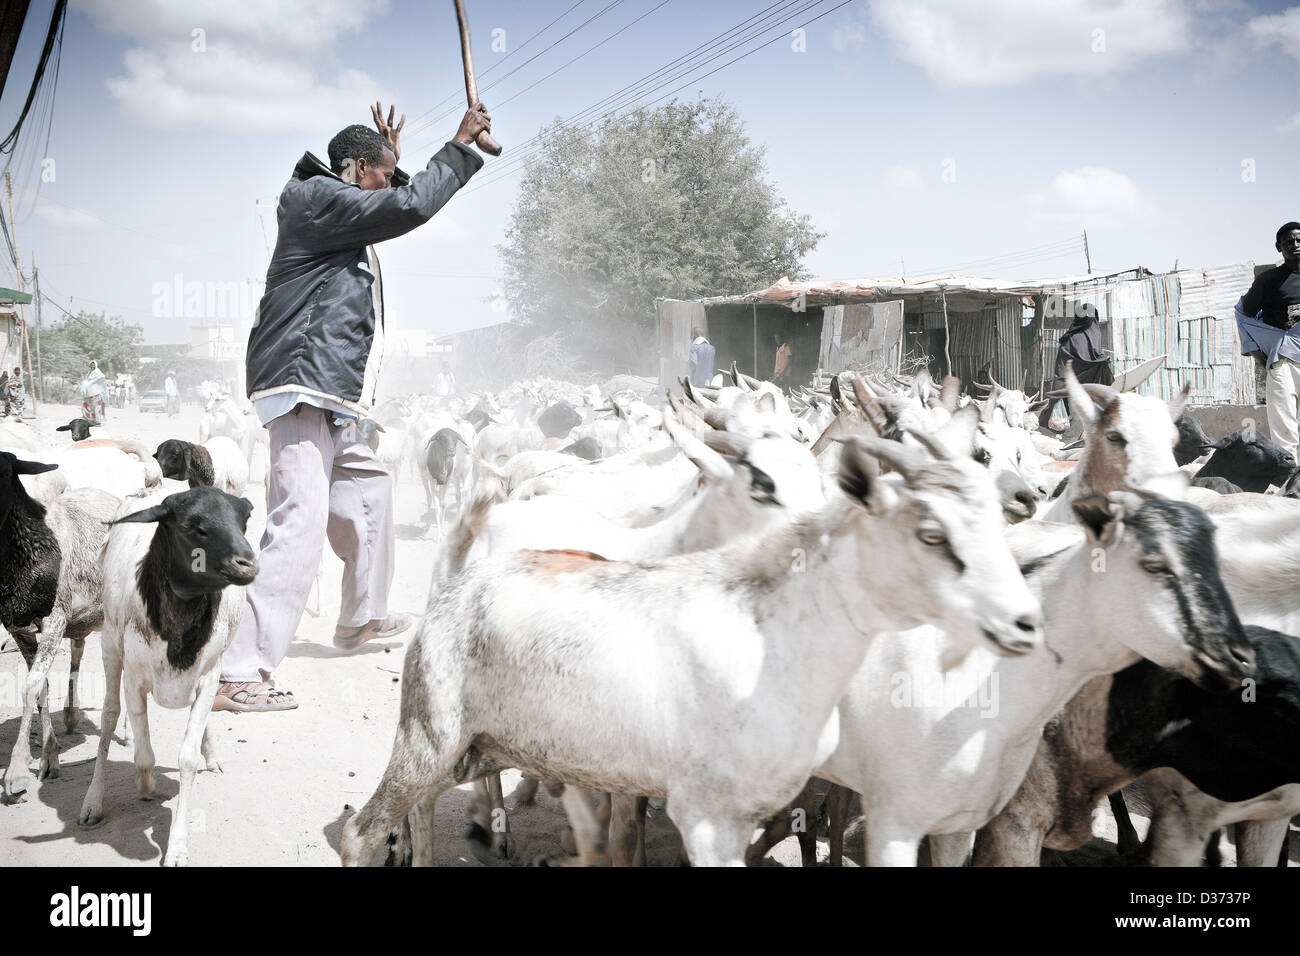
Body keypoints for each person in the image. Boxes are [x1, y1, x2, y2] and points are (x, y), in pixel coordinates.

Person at [213, 101, 491, 713]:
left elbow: (393, 198)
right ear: (356, 169)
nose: (391, 184)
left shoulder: (340, 205)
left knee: (369, 493)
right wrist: (460, 146)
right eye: (383, 173)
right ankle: (238, 671)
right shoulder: (314, 198)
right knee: (300, 522)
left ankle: (359, 617)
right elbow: (409, 206)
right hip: (302, 382)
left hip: (334, 390)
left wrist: (398, 169)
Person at [1236, 221, 1300, 458]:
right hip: (1283, 360)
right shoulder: (1268, 280)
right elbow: (1243, 313)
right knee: (1284, 423)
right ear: (1278, 247)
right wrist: (1253, 349)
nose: (1295, 245)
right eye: (1288, 242)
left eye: (1299, 240)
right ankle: (1289, 480)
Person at [1048, 303, 1113, 440]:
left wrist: (1102, 360)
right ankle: (1064, 449)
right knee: (1079, 420)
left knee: (1091, 422)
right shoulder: (1076, 339)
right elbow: (1085, 360)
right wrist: (1102, 360)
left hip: (1090, 388)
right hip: (1076, 388)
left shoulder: (1077, 337)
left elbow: (1092, 358)